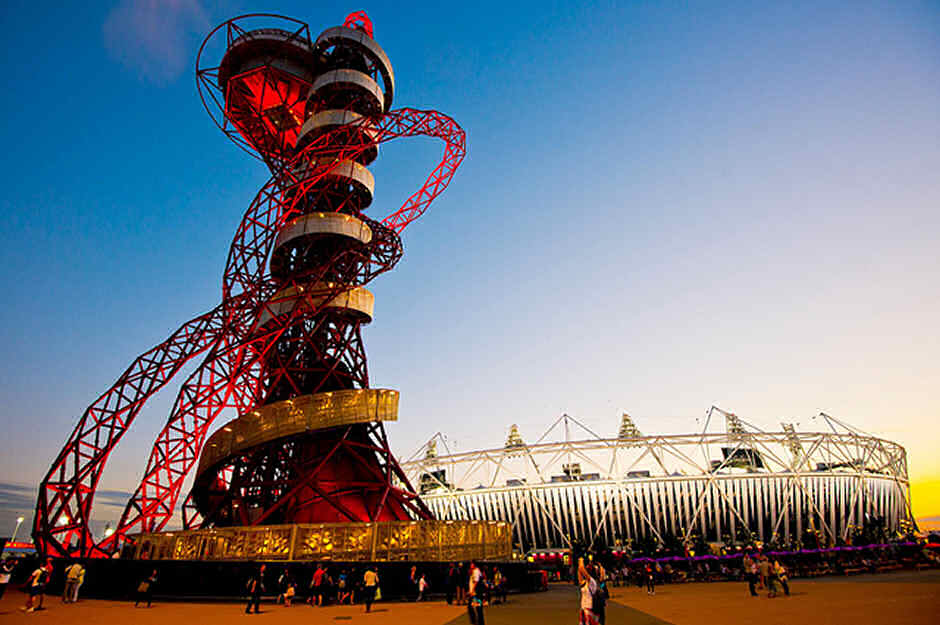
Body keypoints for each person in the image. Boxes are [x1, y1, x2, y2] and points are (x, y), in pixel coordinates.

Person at [578, 559, 599, 625]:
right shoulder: (585, 582)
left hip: (589, 608)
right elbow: (580, 572)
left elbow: (582, 569)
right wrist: (579, 563)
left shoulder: (592, 582)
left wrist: (581, 561)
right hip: (583, 608)